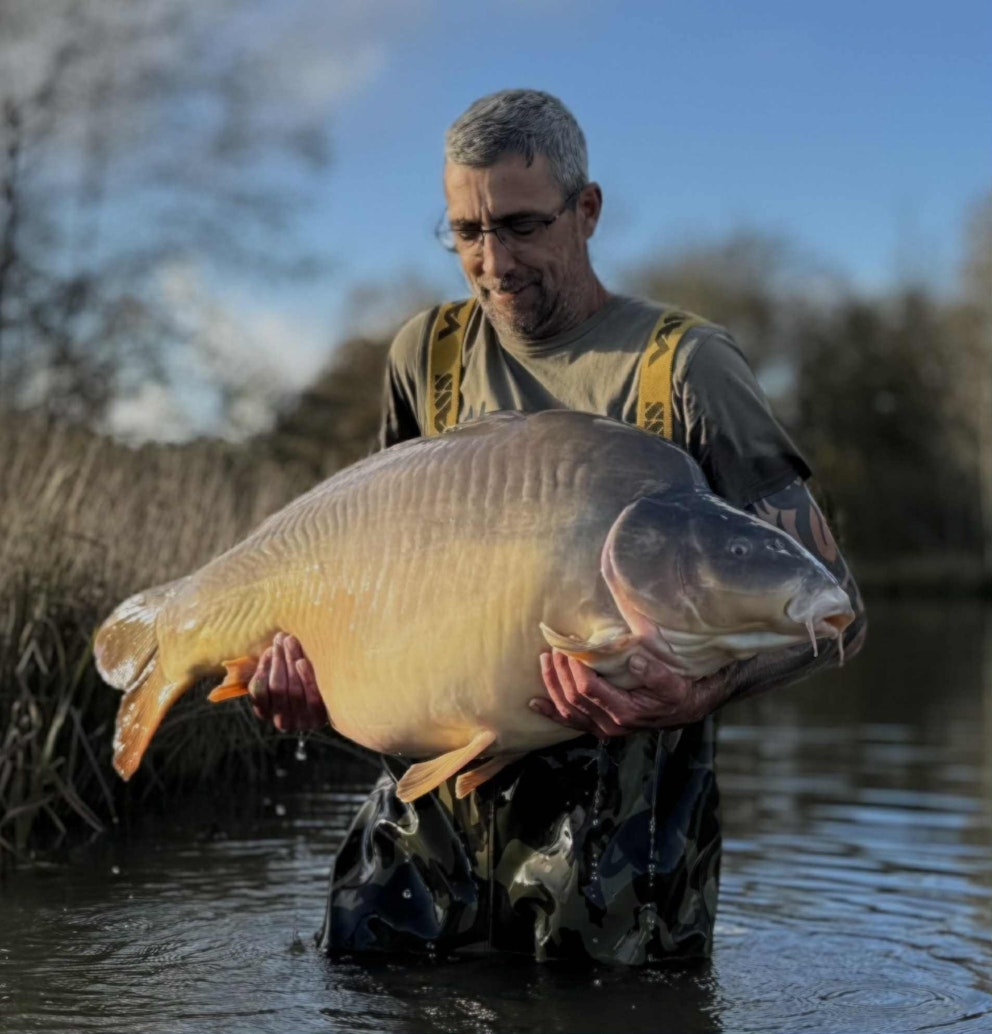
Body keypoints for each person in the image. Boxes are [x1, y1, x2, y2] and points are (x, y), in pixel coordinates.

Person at [250, 89, 866, 966]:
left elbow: (837, 609)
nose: (493, 262)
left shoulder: (687, 370)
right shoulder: (424, 359)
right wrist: (315, 686)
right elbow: (369, 579)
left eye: (522, 225)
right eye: (466, 233)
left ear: (587, 211)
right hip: (431, 813)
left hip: (622, 846)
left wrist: (696, 694)